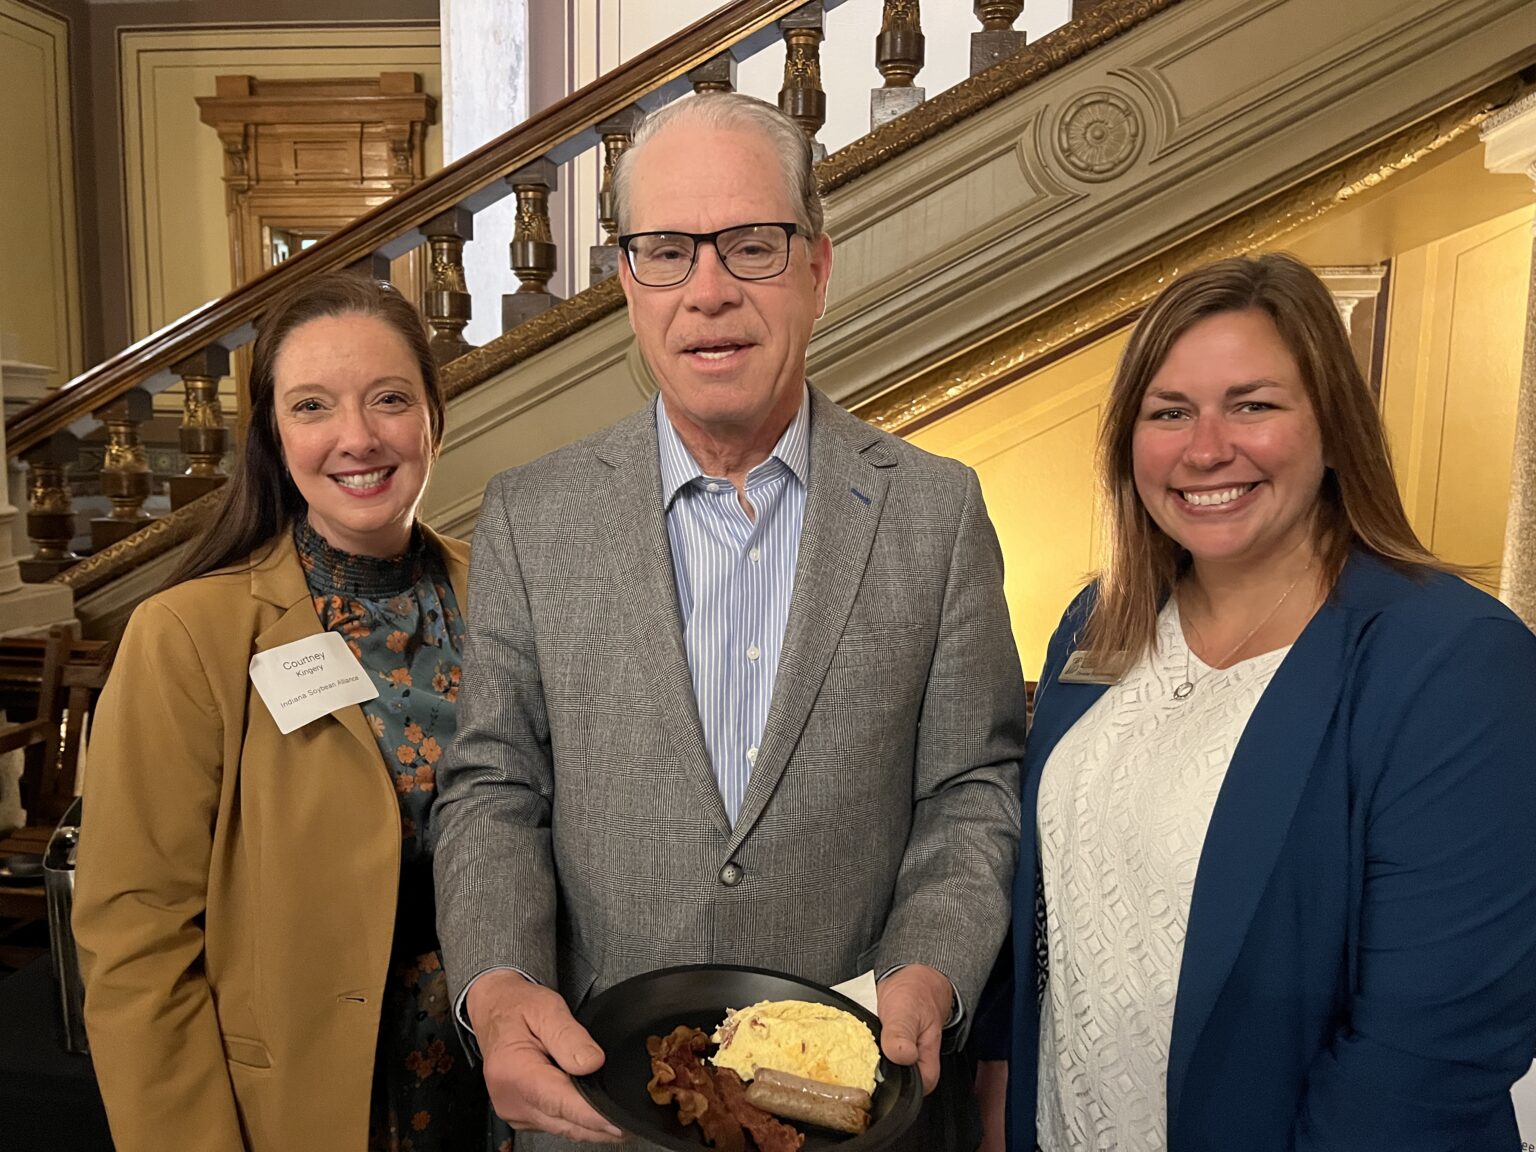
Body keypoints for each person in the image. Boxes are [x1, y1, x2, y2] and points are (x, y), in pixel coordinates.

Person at [432, 92, 1027, 1150]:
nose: (708, 291)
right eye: (666, 251)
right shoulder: (531, 516)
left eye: (752, 245)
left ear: (818, 269)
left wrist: (931, 963)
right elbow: (494, 787)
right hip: (598, 1101)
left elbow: (970, 789)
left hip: (858, 1105)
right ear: (628, 283)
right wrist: (498, 980)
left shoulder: (936, 513)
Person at [974, 252, 1536, 1151]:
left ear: (1333, 428)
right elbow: (1043, 914)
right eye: (1169, 412)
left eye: (1253, 405)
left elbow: (1425, 1057)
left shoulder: (1454, 662)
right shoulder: (1099, 620)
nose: (1206, 448)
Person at [73, 273, 512, 1152]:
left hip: (507, 1093)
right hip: (308, 1109)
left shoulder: (508, 591)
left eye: (390, 398)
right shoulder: (187, 637)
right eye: (313, 406)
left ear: (434, 416)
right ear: (274, 437)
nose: (358, 437)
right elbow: (136, 942)